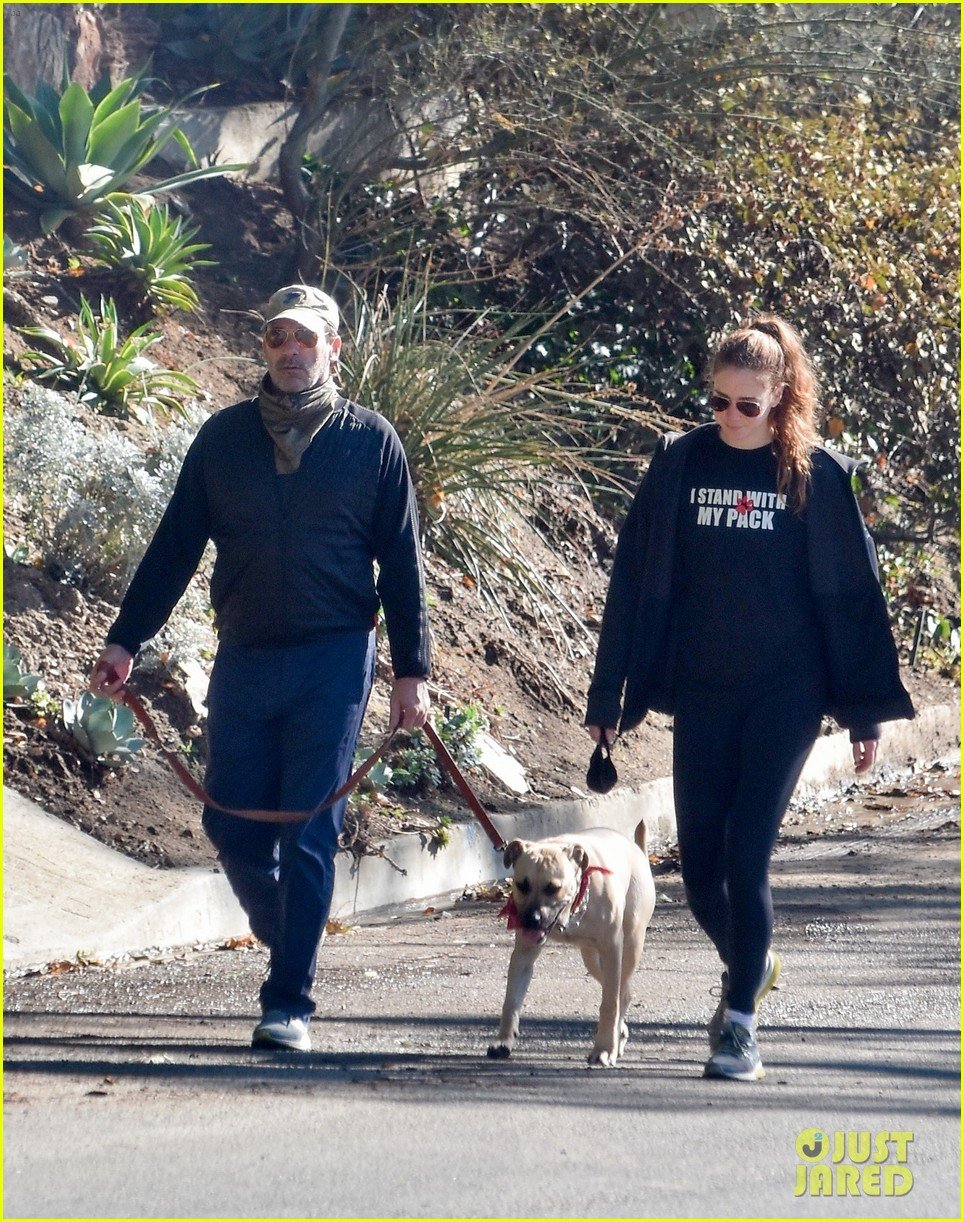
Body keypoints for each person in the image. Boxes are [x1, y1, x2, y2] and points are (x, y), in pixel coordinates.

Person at [89, 283, 431, 1053]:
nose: (291, 350)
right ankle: (292, 938)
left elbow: (403, 567)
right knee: (230, 823)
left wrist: (412, 672)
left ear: (333, 348)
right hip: (243, 656)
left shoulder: (371, 441)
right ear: (265, 349)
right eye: (277, 337)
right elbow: (174, 548)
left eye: (305, 338)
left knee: (310, 830)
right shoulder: (224, 440)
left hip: (333, 660)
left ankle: (289, 1003)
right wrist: (125, 639)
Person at [585, 314, 914, 1082]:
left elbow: (852, 596)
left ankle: (739, 1027)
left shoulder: (814, 476)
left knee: (745, 855)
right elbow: (632, 583)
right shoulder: (680, 463)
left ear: (780, 398)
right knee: (700, 870)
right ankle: (751, 963)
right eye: (720, 402)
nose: (731, 417)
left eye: (747, 405)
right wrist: (608, 695)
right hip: (703, 690)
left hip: (786, 694)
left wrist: (863, 711)